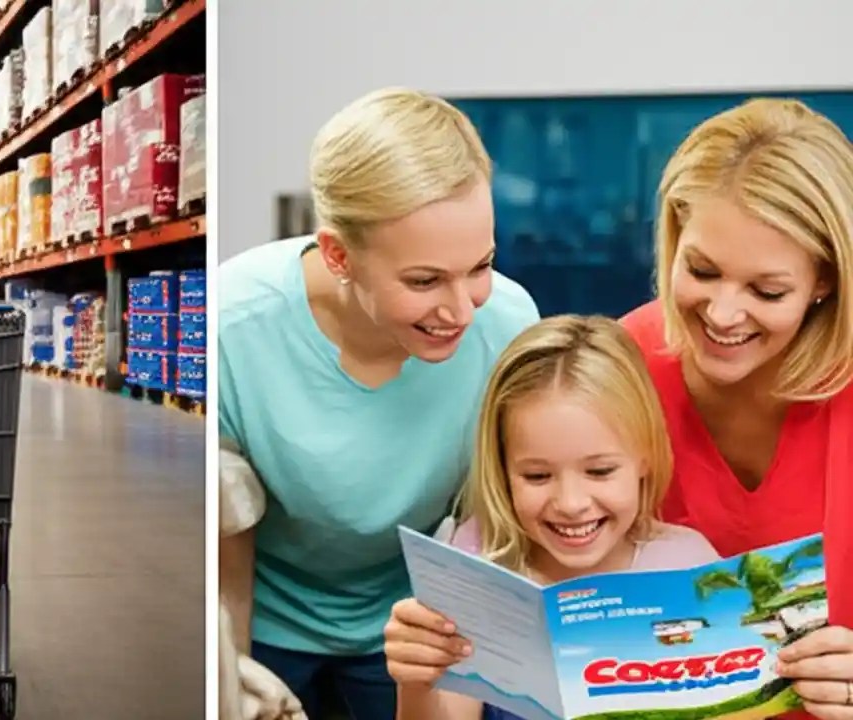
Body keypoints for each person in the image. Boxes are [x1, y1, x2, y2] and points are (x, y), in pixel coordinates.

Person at [218, 87, 540, 719]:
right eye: (423, 281)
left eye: (480, 265)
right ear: (338, 254)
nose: (460, 308)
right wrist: (229, 660)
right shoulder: (235, 328)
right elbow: (229, 523)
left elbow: (491, 516)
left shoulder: (506, 322)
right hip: (270, 622)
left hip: (417, 621)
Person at [617, 98, 853, 720]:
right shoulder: (616, 370)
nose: (722, 315)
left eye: (767, 290)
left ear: (825, 279)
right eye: (701, 270)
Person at [381, 314, 722, 719]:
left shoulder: (690, 569)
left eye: (600, 471)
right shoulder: (473, 567)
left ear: (644, 458)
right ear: (503, 470)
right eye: (537, 475)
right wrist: (417, 680)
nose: (571, 503)